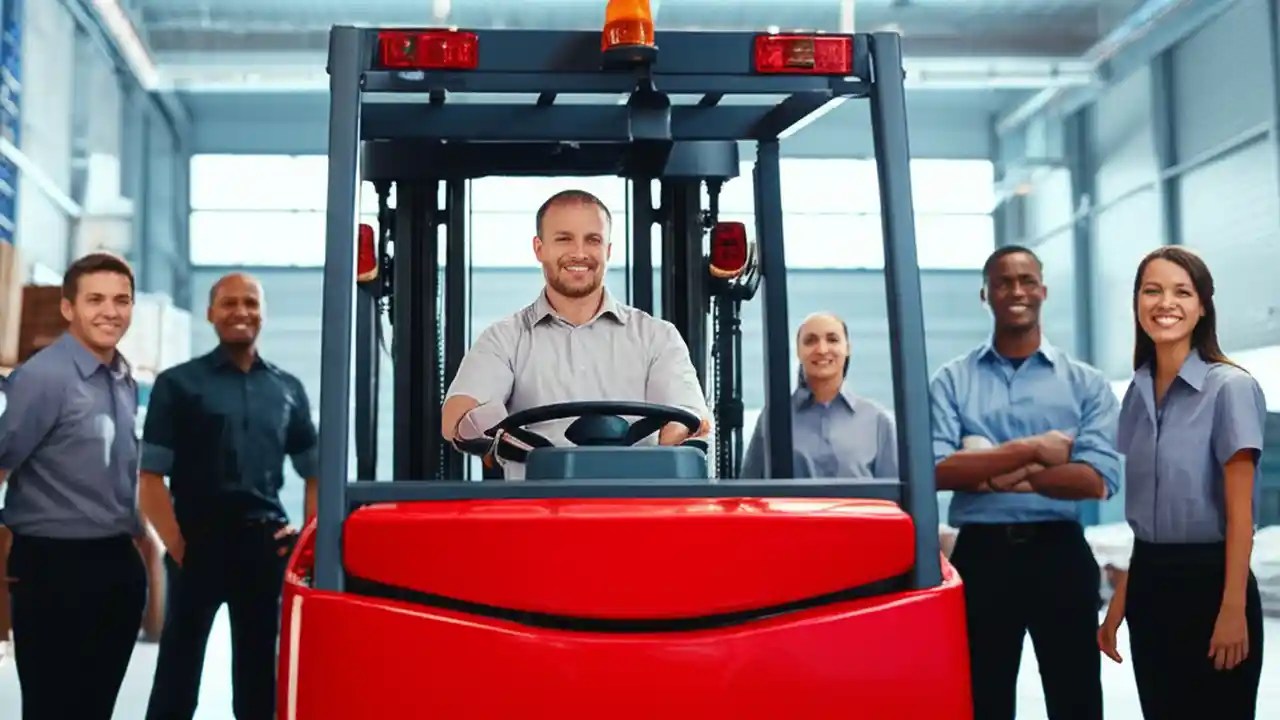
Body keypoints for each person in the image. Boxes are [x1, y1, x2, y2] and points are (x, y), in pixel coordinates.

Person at [929, 245, 1122, 720]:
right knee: (983, 700)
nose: (1016, 290)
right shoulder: (951, 381)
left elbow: (1097, 479)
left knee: (1076, 699)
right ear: (985, 294)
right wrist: (1036, 449)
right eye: (1003, 282)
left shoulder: (1086, 384)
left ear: (1043, 291)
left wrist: (988, 466)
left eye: (1026, 280)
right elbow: (938, 471)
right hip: (981, 559)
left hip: (1059, 554)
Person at [139, 272, 319, 720]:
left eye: (251, 303)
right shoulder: (178, 385)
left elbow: (315, 473)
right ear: (210, 313)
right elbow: (150, 477)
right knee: (177, 676)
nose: (241, 312)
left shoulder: (287, 389)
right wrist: (177, 545)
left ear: (263, 313)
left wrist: (304, 541)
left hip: (263, 549)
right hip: (195, 547)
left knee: (258, 681)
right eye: (230, 303)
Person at [1098, 247, 1265, 719]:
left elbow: (1241, 518)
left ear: (1203, 306)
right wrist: (1120, 602)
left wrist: (1232, 609)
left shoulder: (1229, 388)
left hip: (1213, 584)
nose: (1165, 303)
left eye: (1182, 292)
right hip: (1150, 587)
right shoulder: (1136, 392)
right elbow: (1148, 523)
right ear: (1137, 302)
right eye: (1152, 291)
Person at [442, 189, 711, 475]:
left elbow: (690, 419)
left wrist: (677, 433)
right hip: (537, 500)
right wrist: (495, 433)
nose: (580, 253)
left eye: (593, 240)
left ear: (608, 250)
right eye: (564, 239)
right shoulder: (504, 339)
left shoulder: (658, 337)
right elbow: (456, 418)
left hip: (635, 500)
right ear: (539, 248)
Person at [0, 252, 146, 720]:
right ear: (68, 308)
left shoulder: (122, 376)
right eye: (95, 299)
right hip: (53, 568)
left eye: (121, 300)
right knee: (52, 708)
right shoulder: (43, 378)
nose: (110, 312)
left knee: (95, 708)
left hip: (116, 561)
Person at [740, 312, 896, 479]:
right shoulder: (774, 418)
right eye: (810, 341)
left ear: (847, 348)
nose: (822, 350)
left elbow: (896, 491)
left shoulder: (877, 421)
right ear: (798, 351)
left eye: (832, 340)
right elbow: (750, 488)